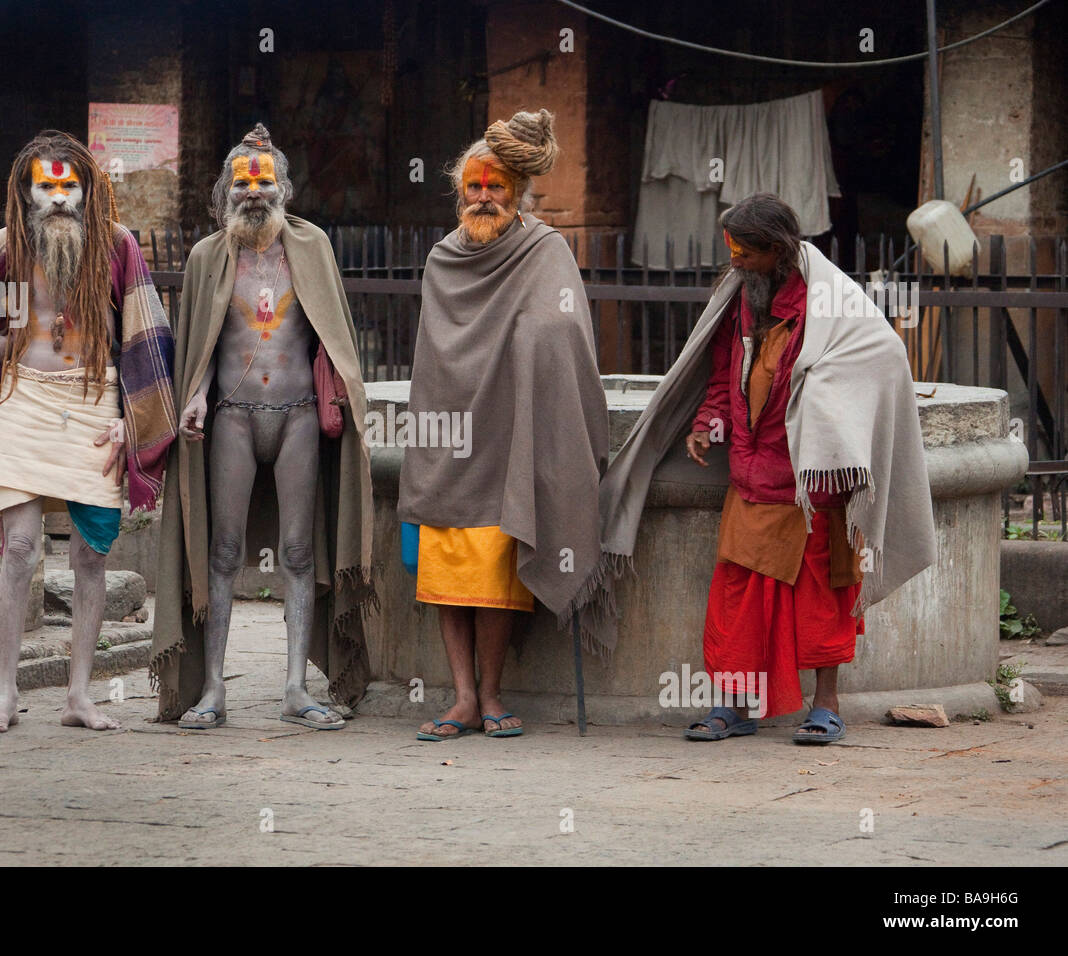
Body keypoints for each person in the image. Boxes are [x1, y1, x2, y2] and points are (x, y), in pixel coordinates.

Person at [581, 192, 936, 744]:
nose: (735, 261)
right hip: (751, 477)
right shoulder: (742, 298)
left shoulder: (831, 301)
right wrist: (707, 422)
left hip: (815, 485)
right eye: (732, 249)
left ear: (778, 250)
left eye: (745, 251)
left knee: (824, 596)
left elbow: (881, 357)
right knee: (738, 596)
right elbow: (724, 370)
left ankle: (827, 707)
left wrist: (831, 423)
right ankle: (733, 707)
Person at [0, 130, 177, 732]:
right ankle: (6, 693)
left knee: (90, 557)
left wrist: (128, 421)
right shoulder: (8, 245)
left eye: (69, 185)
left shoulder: (116, 245)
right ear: (27, 192)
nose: (58, 197)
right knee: (22, 550)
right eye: (46, 186)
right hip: (27, 403)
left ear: (87, 190)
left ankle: (78, 697)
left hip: (93, 407)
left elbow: (148, 335)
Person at [150, 124, 376, 730]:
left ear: (284, 189)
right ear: (226, 191)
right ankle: (213, 690)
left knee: (300, 553)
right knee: (223, 552)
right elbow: (197, 348)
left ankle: (297, 689)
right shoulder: (207, 258)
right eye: (243, 183)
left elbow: (335, 338)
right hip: (233, 421)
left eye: (265, 181)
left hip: (301, 416)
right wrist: (194, 397)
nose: (254, 192)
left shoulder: (313, 248)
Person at [397, 108, 609, 741]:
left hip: (508, 436)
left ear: (517, 193)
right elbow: (434, 351)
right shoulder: (442, 259)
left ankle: (490, 694)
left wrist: (535, 341)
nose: (484, 196)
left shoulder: (544, 250)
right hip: (446, 436)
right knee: (444, 575)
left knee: (493, 572)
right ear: (460, 193)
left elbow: (564, 330)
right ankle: (460, 696)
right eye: (474, 187)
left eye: (496, 187)